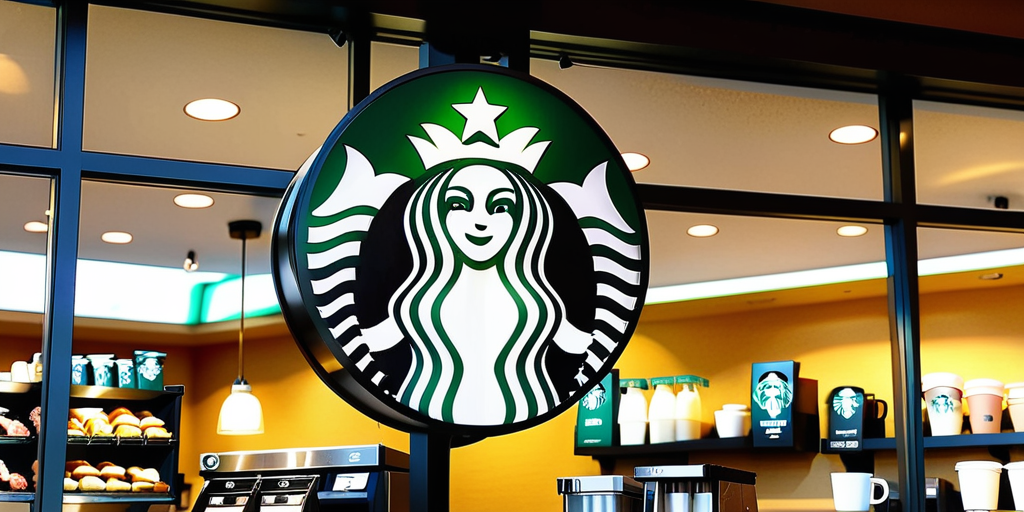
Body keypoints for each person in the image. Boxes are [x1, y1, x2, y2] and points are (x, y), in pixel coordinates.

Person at [354, 162, 593, 426]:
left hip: (532, 405)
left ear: (524, 219)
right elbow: (371, 338)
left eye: (500, 208)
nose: (480, 222)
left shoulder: (541, 298)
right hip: (423, 402)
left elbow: (579, 346)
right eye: (459, 205)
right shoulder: (414, 297)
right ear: (433, 213)